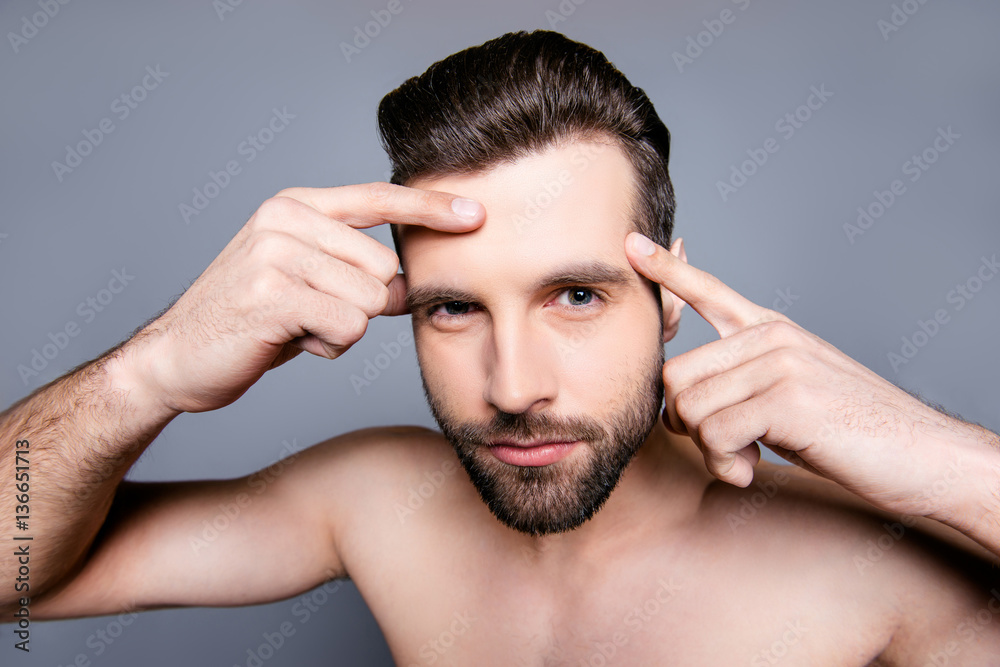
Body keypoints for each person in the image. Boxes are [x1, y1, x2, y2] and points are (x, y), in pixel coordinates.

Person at [3, 29, 999, 665]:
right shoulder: (375, 504)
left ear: (667, 298)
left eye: (574, 295)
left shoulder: (874, 571)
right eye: (453, 310)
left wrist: (946, 464)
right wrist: (152, 371)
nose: (513, 387)